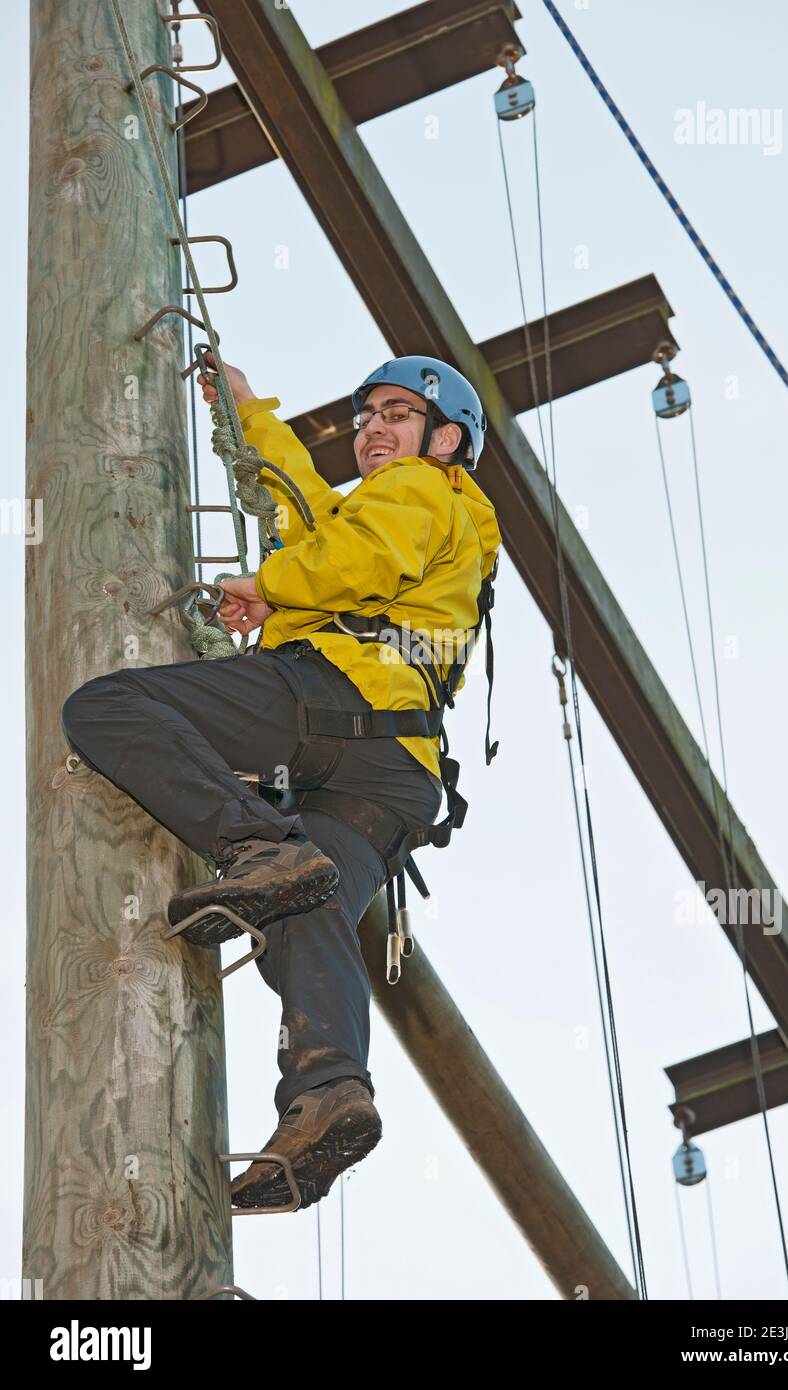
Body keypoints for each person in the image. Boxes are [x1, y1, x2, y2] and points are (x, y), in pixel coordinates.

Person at [61, 352, 501, 1211]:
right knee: (310, 907)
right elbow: (309, 511)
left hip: (332, 704)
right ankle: (327, 1092)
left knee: (110, 708)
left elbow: (353, 555)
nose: (375, 428)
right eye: (368, 414)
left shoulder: (422, 493)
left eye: (398, 416)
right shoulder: (407, 509)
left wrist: (264, 589)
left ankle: (253, 844)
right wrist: (249, 411)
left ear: (444, 441)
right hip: (393, 769)